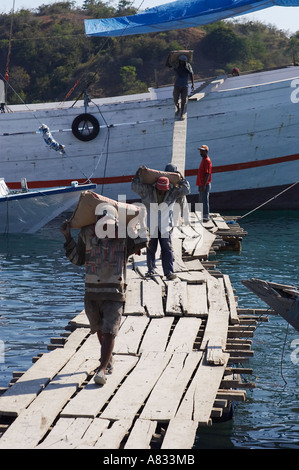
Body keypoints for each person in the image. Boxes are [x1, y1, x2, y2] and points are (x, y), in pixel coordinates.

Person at [60, 203, 147, 386]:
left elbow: (142, 242)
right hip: (92, 292)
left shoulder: (123, 236)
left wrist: (138, 221)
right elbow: (78, 259)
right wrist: (68, 237)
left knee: (109, 331)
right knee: (99, 328)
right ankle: (108, 360)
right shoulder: (86, 234)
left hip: (115, 291)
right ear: (96, 221)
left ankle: (101, 368)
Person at [131, 169, 190, 280]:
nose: (162, 192)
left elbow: (186, 190)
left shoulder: (172, 193)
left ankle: (168, 272)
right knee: (151, 248)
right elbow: (134, 186)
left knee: (166, 249)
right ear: (156, 187)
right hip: (151, 226)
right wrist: (137, 175)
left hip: (165, 226)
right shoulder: (148, 191)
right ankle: (151, 270)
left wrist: (182, 179)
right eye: (160, 190)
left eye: (164, 190)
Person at [169, 54, 194, 119]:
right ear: (179, 61)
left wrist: (192, 84)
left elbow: (191, 74)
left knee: (183, 101)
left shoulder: (188, 66)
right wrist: (170, 56)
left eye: (183, 61)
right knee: (175, 100)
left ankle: (181, 114)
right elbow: (168, 65)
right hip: (177, 85)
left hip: (184, 86)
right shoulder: (176, 66)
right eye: (181, 61)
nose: (182, 62)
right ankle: (178, 108)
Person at [196, 145, 212, 221]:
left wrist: (204, 185)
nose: (201, 153)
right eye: (200, 151)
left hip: (204, 184)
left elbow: (208, 174)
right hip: (201, 183)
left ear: (206, 152)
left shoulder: (207, 161)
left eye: (202, 151)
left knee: (205, 200)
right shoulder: (203, 159)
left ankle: (205, 216)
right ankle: (202, 215)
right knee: (201, 200)